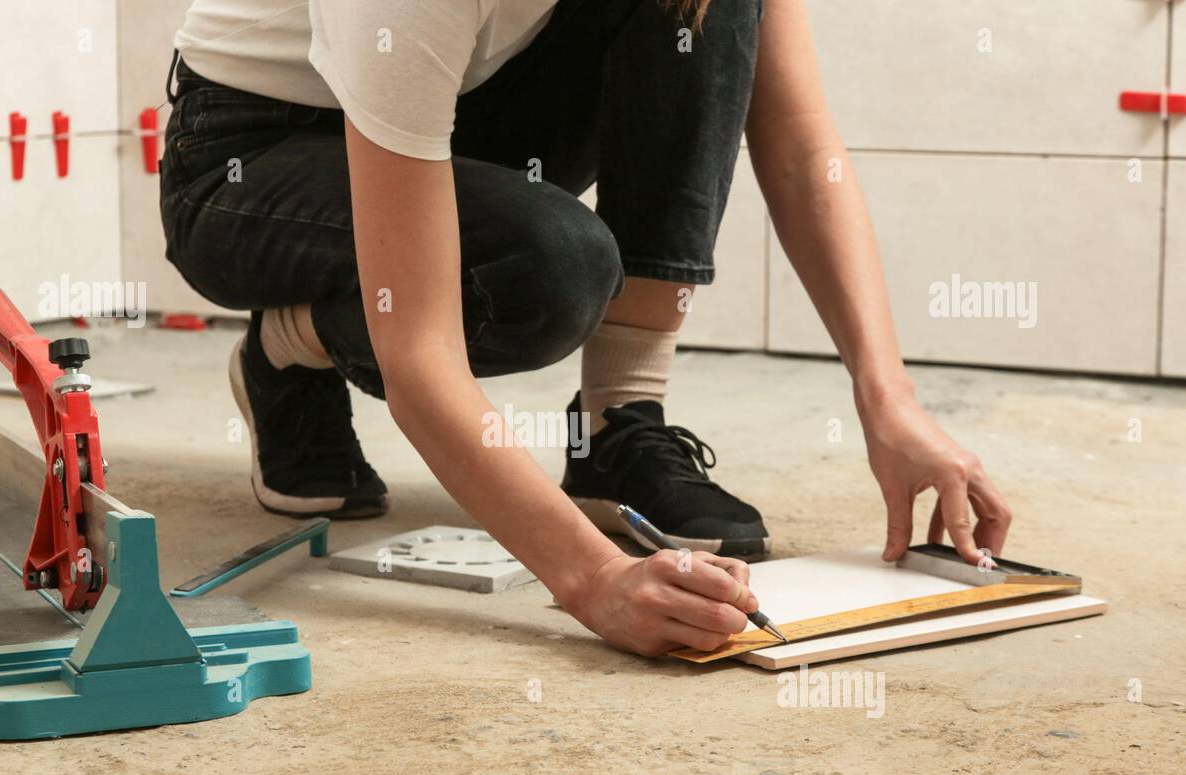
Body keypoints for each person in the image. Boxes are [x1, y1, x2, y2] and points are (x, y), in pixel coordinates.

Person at [160, 0, 1013, 657]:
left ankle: (619, 426)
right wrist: (593, 578)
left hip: (470, 95)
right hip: (251, 155)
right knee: (547, 272)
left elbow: (795, 140)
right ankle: (287, 349)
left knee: (704, 9)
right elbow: (420, 350)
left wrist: (887, 397)